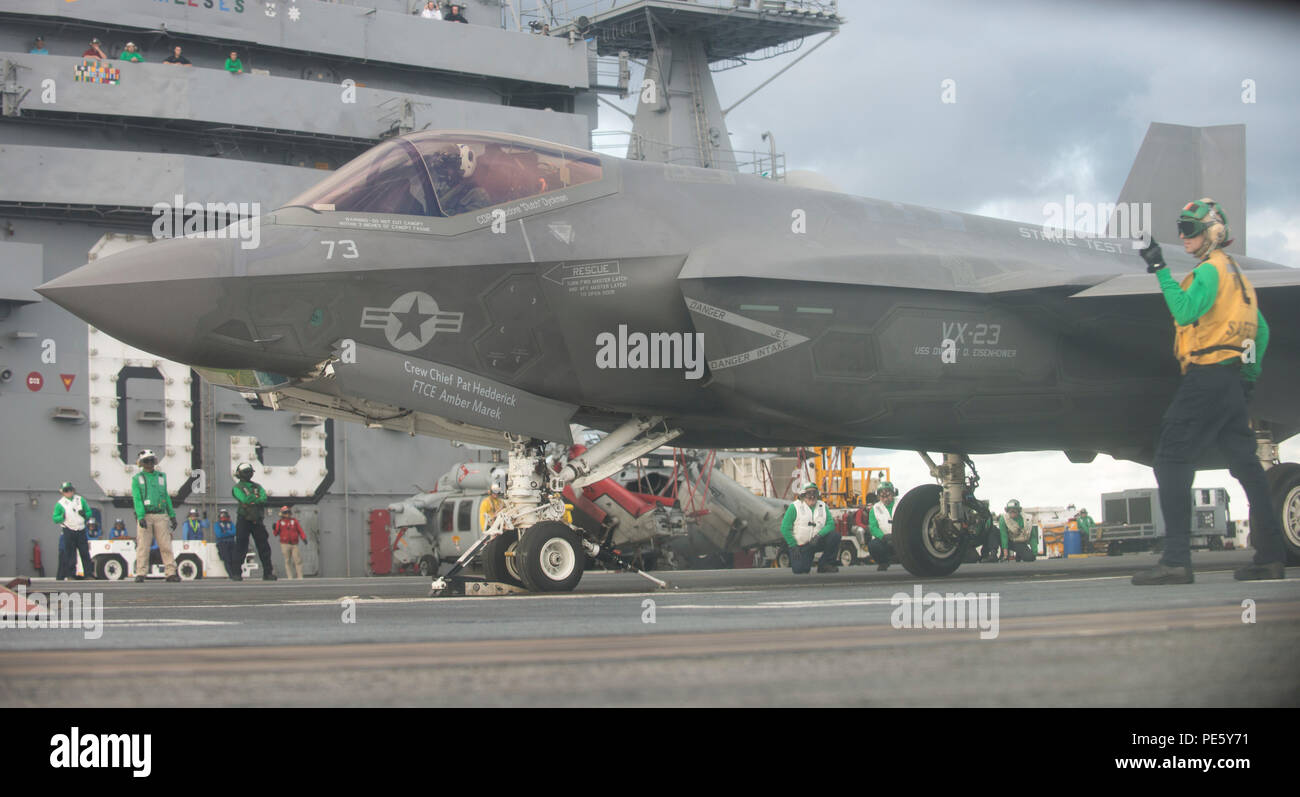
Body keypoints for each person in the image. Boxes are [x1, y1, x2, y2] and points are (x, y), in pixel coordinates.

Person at [1135, 198, 1286, 584]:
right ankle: (1270, 558)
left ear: (1213, 233)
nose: (1183, 236)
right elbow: (1261, 334)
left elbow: (1184, 311)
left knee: (1170, 458)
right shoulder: (1240, 279)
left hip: (1205, 377)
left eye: (1190, 229)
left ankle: (1175, 561)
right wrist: (1247, 379)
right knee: (1249, 470)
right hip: (1232, 383)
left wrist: (1159, 269)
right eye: (1181, 228)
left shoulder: (1209, 272)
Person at [131, 449, 179, 582]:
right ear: (141, 463)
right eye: (146, 461)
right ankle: (141, 572)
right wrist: (140, 516)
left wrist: (172, 515)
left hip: (160, 515)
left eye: (151, 460)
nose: (149, 463)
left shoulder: (161, 477)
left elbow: (166, 497)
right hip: (145, 515)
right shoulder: (137, 479)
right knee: (143, 546)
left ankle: (170, 572)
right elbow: (137, 499)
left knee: (166, 545)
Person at [779, 482, 839, 574]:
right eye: (809, 494)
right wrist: (793, 545)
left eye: (814, 494)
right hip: (801, 546)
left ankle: (825, 564)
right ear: (803, 495)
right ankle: (806, 560)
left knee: (835, 536)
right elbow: (785, 528)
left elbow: (830, 524)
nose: (812, 497)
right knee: (800, 570)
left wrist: (819, 536)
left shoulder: (822, 506)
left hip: (817, 541)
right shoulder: (794, 507)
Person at [232, 463, 277, 580]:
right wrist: (254, 499)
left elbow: (263, 498)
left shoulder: (258, 486)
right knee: (241, 546)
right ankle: (236, 573)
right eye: (246, 471)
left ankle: (268, 572)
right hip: (244, 519)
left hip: (257, 520)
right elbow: (244, 499)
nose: (248, 474)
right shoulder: (237, 487)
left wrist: (252, 500)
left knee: (264, 547)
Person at [428, 144, 491, 216]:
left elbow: (464, 223)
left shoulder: (477, 195)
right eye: (443, 167)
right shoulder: (444, 186)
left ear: (462, 166)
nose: (444, 172)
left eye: (448, 167)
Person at [52, 482, 95, 580]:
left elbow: (89, 512)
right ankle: (70, 574)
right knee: (70, 553)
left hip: (80, 529)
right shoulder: (60, 504)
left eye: (70, 490)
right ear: (62, 492)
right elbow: (55, 518)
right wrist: (61, 517)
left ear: (73, 490)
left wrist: (85, 514)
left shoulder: (80, 499)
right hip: (69, 529)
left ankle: (88, 574)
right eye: (66, 491)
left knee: (84, 552)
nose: (68, 492)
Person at [866, 480, 897, 570]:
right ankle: (883, 562)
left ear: (893, 493)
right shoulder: (874, 509)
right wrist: (883, 537)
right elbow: (873, 527)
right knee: (873, 545)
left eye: (887, 492)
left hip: (900, 538)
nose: (884, 495)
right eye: (881, 493)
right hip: (884, 539)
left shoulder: (901, 503)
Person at [273, 507, 306, 579]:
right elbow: (276, 533)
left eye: (288, 512)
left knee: (297, 560)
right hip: (285, 544)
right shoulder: (280, 522)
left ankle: (300, 576)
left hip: (294, 543)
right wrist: (274, 528)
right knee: (287, 560)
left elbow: (300, 530)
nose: (287, 514)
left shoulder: (294, 521)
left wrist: (304, 538)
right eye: (285, 513)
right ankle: (290, 577)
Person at [214, 509, 240, 580]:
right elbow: (219, 535)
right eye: (222, 515)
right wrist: (229, 533)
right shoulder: (217, 524)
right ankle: (231, 575)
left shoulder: (230, 524)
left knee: (234, 559)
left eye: (225, 515)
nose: (224, 517)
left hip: (231, 542)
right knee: (227, 559)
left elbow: (234, 532)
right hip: (222, 543)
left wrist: (226, 532)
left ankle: (236, 574)